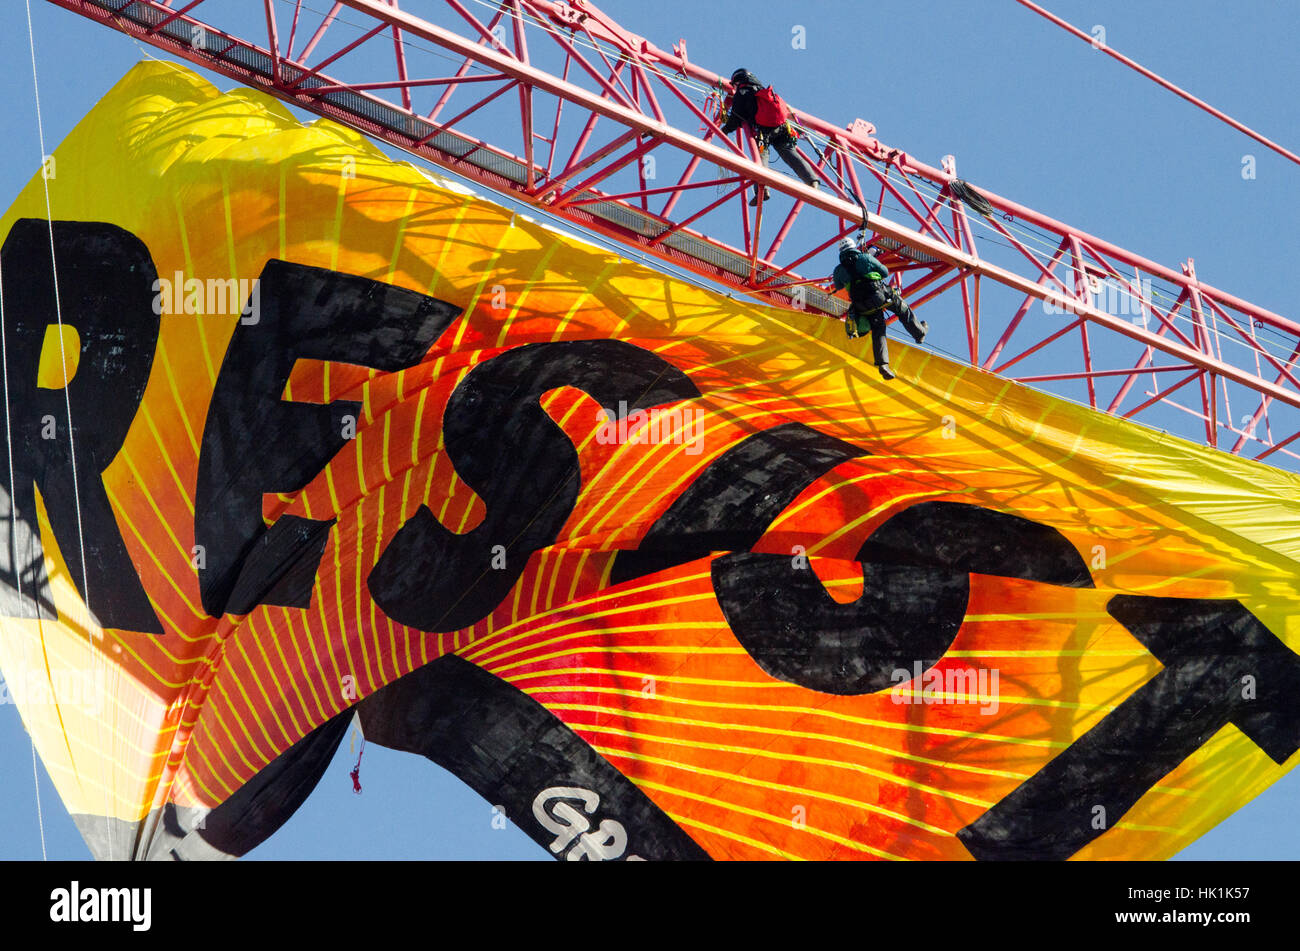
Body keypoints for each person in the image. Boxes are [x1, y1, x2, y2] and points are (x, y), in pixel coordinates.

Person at [831, 236, 927, 381]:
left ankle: (883, 364)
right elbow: (884, 272)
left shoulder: (838, 270)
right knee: (903, 309)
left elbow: (838, 286)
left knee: (878, 331)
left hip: (862, 306)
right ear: (853, 248)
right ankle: (919, 334)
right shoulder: (865, 258)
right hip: (880, 296)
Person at [721, 68, 820, 204]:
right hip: (783, 129)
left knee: (761, 157)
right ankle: (812, 181)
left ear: (738, 81)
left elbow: (736, 117)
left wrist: (725, 130)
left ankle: (763, 189)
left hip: (764, 133)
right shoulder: (765, 92)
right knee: (792, 155)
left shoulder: (743, 92)